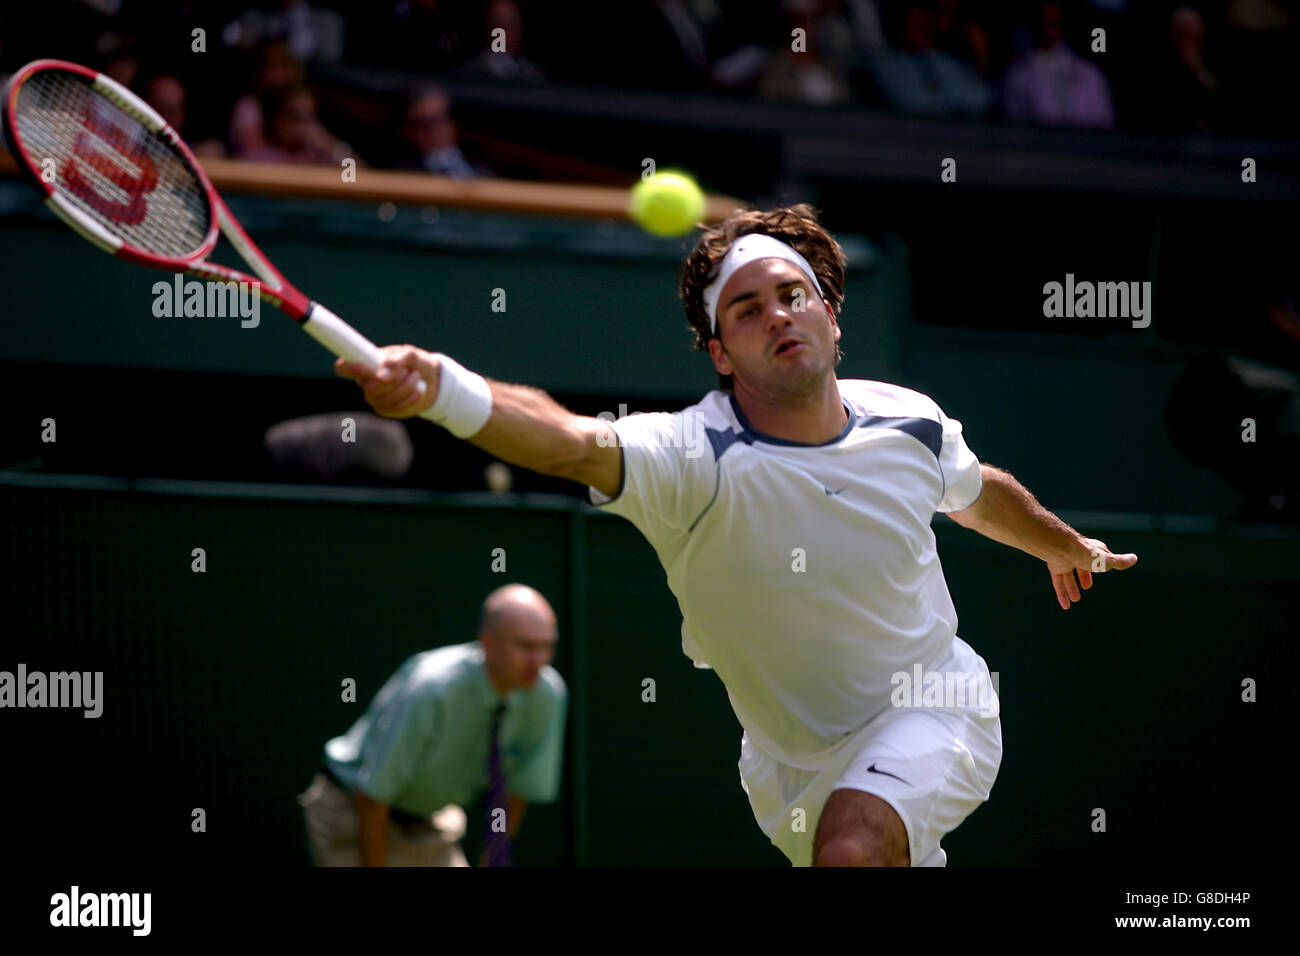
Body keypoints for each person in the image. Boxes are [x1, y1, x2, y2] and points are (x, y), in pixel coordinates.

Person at [332, 204, 1138, 867]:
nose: (778, 316)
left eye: (794, 295)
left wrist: (1060, 545)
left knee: (852, 849)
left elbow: (973, 492)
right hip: (783, 770)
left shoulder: (910, 421)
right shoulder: (691, 457)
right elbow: (569, 438)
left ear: (830, 314)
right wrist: (444, 389)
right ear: (721, 352)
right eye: (747, 310)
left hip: (935, 703)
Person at [299, 583, 566, 866]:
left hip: (432, 824)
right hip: (352, 814)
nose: (538, 660)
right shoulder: (431, 689)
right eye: (525, 646)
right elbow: (372, 797)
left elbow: (516, 793)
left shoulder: (547, 694)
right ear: (488, 644)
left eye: (547, 646)